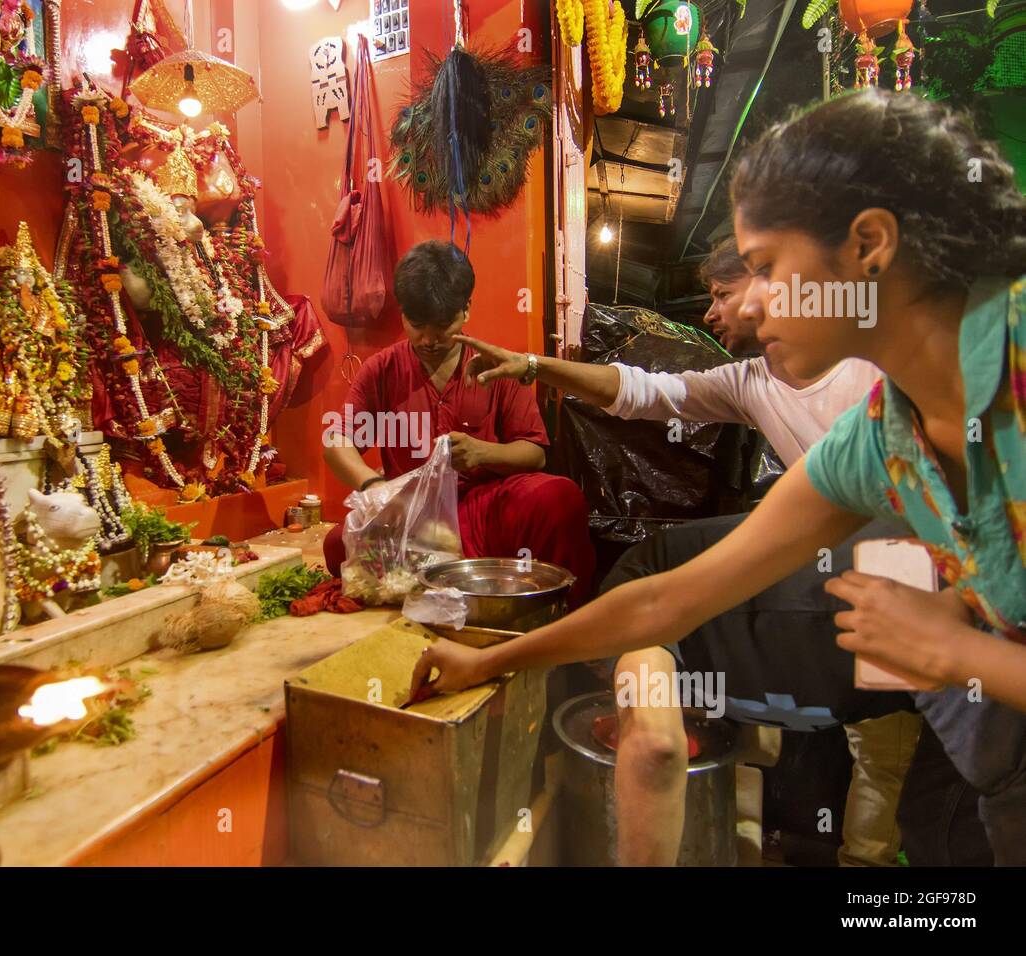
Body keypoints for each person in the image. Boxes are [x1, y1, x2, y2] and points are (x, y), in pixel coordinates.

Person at [411, 89, 1026, 864]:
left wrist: (961, 655)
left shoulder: (1011, 357)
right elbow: (672, 598)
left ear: (868, 243)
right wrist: (489, 660)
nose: (745, 306)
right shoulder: (881, 437)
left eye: (764, 267)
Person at [456, 239, 917, 866]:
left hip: (920, 579)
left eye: (722, 295)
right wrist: (535, 366)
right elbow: (642, 391)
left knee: (894, 757)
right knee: (865, 734)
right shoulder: (749, 383)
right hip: (841, 588)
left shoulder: (877, 365)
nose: (710, 313)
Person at [321, 240, 596, 605]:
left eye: (443, 325)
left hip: (484, 511)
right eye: (417, 325)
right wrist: (374, 486)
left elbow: (535, 455)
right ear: (402, 314)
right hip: (412, 516)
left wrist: (484, 453)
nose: (430, 339)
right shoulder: (381, 371)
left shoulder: (499, 366)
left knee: (558, 498)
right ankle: (454, 576)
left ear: (466, 309)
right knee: (337, 543)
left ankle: (567, 618)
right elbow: (336, 440)